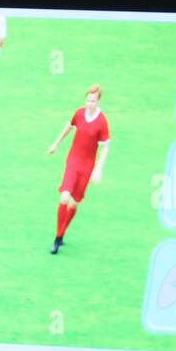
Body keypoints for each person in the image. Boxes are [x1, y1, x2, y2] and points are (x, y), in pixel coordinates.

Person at [47, 83, 110, 254]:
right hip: (73, 160)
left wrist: (98, 169)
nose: (90, 103)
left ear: (98, 101)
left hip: (87, 166)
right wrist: (55, 145)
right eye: (88, 100)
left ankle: (62, 233)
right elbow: (67, 128)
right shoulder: (79, 113)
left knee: (74, 203)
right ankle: (57, 237)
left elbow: (105, 147)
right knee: (64, 198)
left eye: (93, 101)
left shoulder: (102, 121)